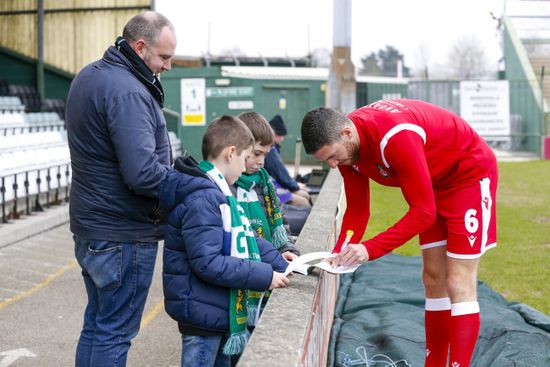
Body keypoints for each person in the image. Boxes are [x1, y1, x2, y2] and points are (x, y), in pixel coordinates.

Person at [301, 99, 498, 367]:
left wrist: (369, 249)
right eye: (327, 161)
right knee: (432, 278)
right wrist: (338, 253)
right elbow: (358, 208)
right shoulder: (348, 148)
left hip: (468, 177)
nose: (334, 165)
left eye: (334, 156)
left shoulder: (395, 136)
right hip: (433, 183)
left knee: (457, 280)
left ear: (347, 133)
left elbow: (423, 212)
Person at [65, 11, 176, 367]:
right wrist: (189, 185)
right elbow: (143, 174)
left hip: (93, 227)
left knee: (98, 325)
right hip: (123, 233)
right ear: (140, 47)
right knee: (114, 332)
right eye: (164, 57)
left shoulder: (90, 76)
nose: (168, 66)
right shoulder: (127, 90)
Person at [160, 115, 290, 367]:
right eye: (244, 159)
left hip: (216, 310)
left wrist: (280, 263)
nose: (245, 168)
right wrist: (264, 275)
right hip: (201, 315)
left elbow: (246, 238)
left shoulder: (217, 193)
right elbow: (208, 263)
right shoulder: (204, 199)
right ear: (231, 153)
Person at [233, 112, 302, 256]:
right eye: (257, 153)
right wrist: (274, 258)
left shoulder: (264, 181)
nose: (261, 161)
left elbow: (281, 222)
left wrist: (287, 249)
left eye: (265, 155)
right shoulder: (227, 186)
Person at [264, 114, 311, 207]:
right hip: (272, 189)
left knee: (305, 194)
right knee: (304, 201)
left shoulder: (272, 148)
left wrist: (294, 184)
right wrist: (295, 185)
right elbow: (281, 174)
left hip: (274, 186)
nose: (280, 138)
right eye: (278, 135)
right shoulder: (270, 150)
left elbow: (281, 173)